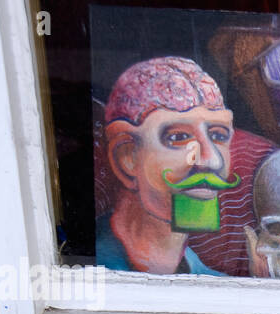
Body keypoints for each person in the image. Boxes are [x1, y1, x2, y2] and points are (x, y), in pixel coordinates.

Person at [98, 57, 241, 274]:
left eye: (218, 135)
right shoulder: (89, 270)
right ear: (127, 157)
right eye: (179, 136)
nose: (210, 160)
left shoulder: (214, 283)